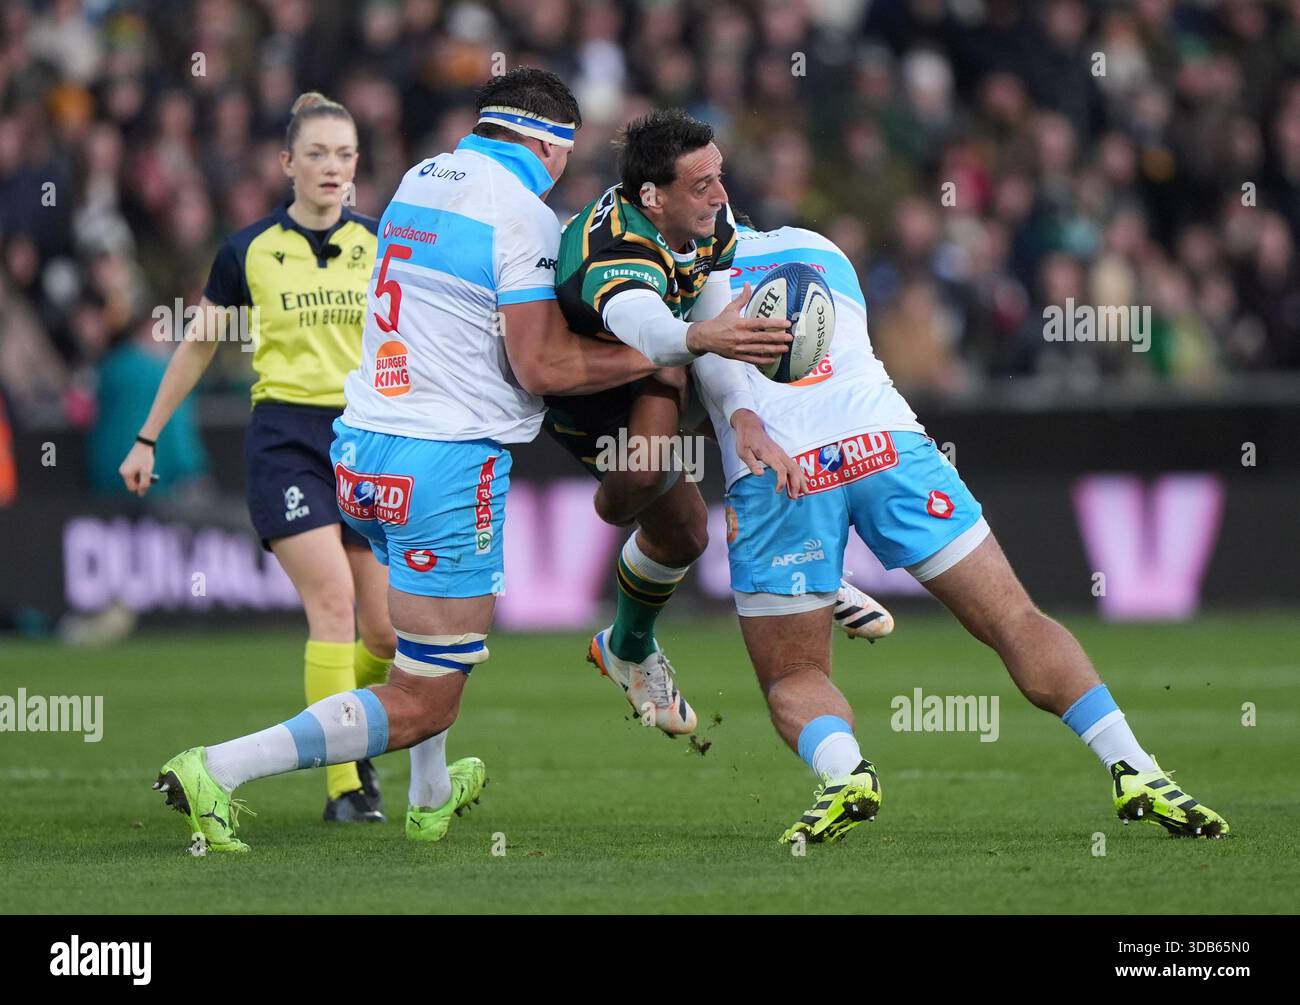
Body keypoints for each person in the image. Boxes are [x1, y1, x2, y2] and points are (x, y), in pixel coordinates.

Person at [149, 69, 784, 853]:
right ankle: (218, 767)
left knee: (424, 651)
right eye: (565, 152)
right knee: (425, 699)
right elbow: (542, 369)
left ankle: (429, 796)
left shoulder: (420, 177)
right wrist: (668, 350)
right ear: (549, 145)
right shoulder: (520, 214)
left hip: (362, 446)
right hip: (443, 466)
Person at [694, 217, 1231, 843]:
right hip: (888, 442)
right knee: (1016, 620)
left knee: (793, 675)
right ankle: (1136, 767)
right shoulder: (818, 245)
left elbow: (688, 365)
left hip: (780, 470)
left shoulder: (683, 275)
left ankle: (845, 775)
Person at [545, 109, 894, 736]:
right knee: (661, 516)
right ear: (652, 196)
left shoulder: (704, 217)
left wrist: (735, 400)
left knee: (758, 413)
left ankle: (799, 569)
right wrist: (705, 339)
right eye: (702, 184)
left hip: (664, 354)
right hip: (596, 383)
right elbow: (649, 330)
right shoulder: (615, 255)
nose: (722, 195)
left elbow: (704, 288)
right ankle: (635, 636)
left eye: (720, 177)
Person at [121, 93, 394, 823]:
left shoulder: (382, 242)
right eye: (317, 154)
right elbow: (200, 342)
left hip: (366, 438)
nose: (332, 167)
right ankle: (342, 788)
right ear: (287, 164)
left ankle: (350, 732)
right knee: (332, 602)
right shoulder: (248, 250)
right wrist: (148, 436)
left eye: (344, 154)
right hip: (286, 441)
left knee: (385, 635)